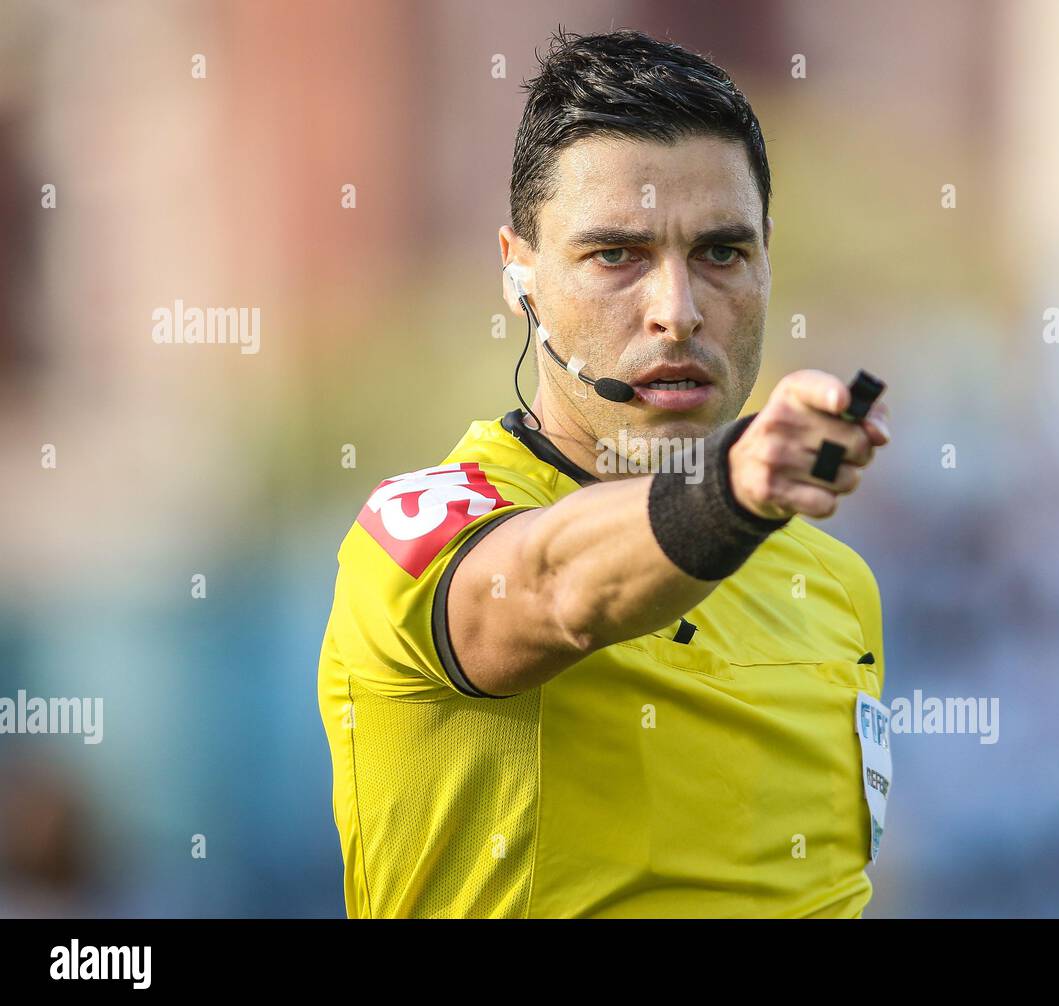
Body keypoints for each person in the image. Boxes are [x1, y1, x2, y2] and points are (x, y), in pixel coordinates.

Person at [318, 27, 891, 918]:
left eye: (722, 252)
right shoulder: (419, 527)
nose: (679, 312)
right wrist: (732, 488)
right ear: (521, 273)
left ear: (768, 255)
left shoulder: (837, 586)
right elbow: (555, 588)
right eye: (615, 255)